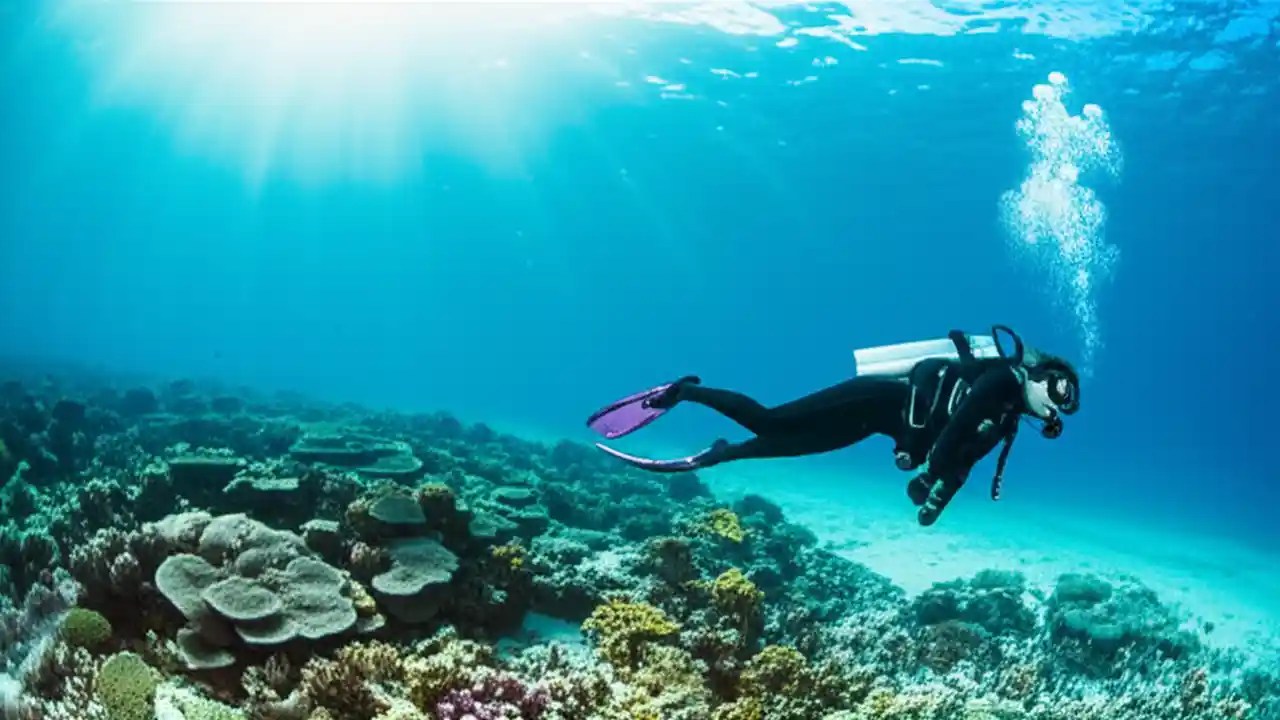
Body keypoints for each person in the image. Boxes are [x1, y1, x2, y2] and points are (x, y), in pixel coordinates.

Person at [586, 326, 1080, 526]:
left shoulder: (1008, 419)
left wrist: (937, 500)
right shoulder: (997, 382)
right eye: (1059, 391)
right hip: (878, 398)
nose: (1056, 407)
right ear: (1041, 376)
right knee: (772, 420)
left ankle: (720, 453)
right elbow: (959, 427)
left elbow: (966, 458)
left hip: (875, 425)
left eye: (1065, 409)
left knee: (786, 447)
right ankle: (684, 390)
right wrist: (929, 472)